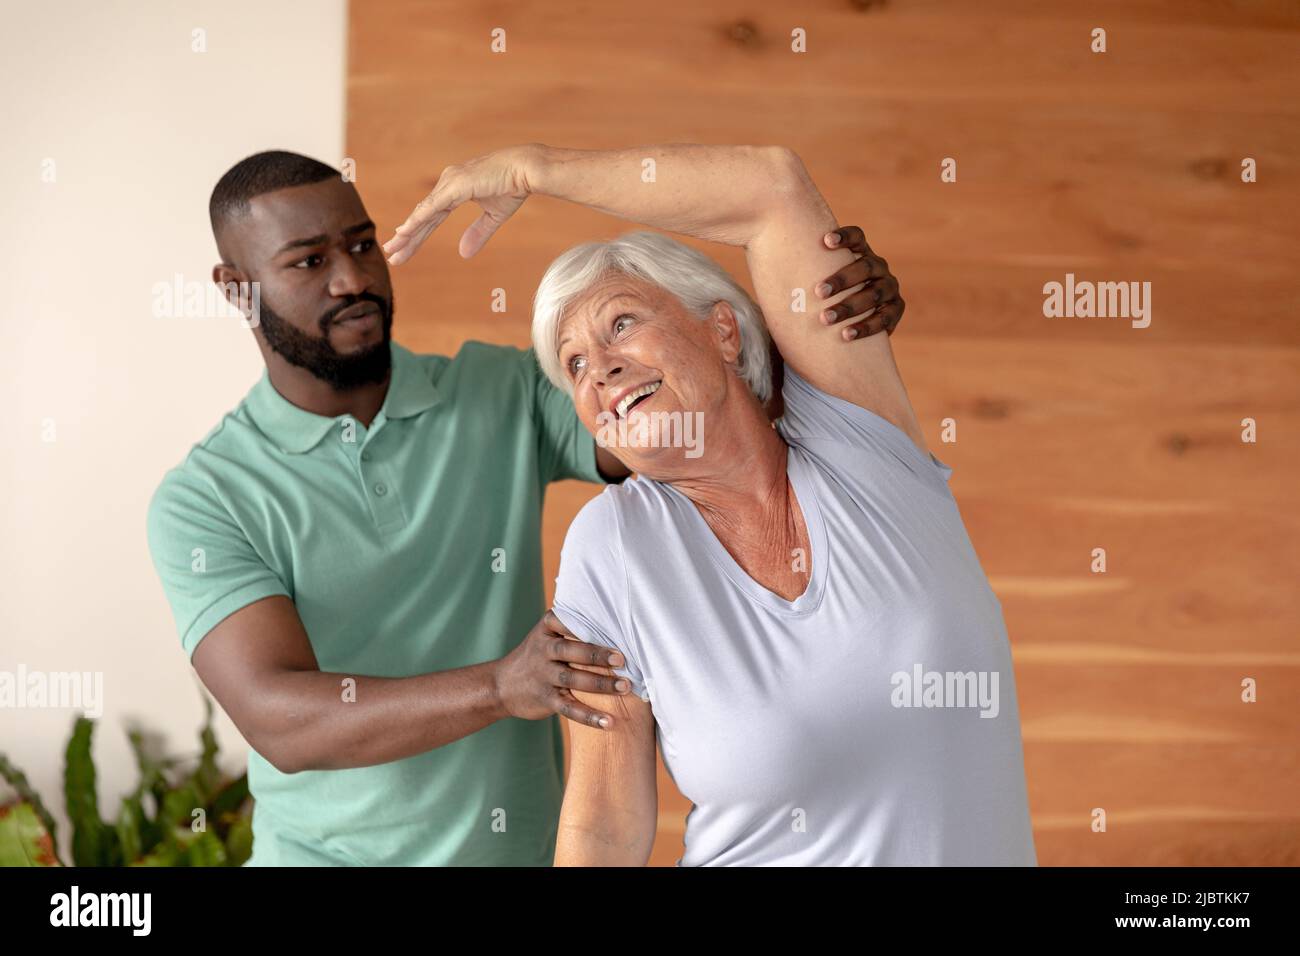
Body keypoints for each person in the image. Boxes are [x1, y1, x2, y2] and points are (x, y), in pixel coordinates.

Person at [147, 149, 888, 866]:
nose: (351, 279)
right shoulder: (206, 498)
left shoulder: (499, 391)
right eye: (309, 261)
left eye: (362, 244)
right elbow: (282, 720)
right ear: (236, 286)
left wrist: (831, 315)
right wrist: (501, 687)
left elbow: (697, 407)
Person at [385, 142, 1036, 866]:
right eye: (573, 365)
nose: (599, 369)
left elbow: (772, 188)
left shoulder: (857, 436)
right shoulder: (613, 547)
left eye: (623, 324)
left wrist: (537, 172)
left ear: (722, 330)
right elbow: (602, 826)